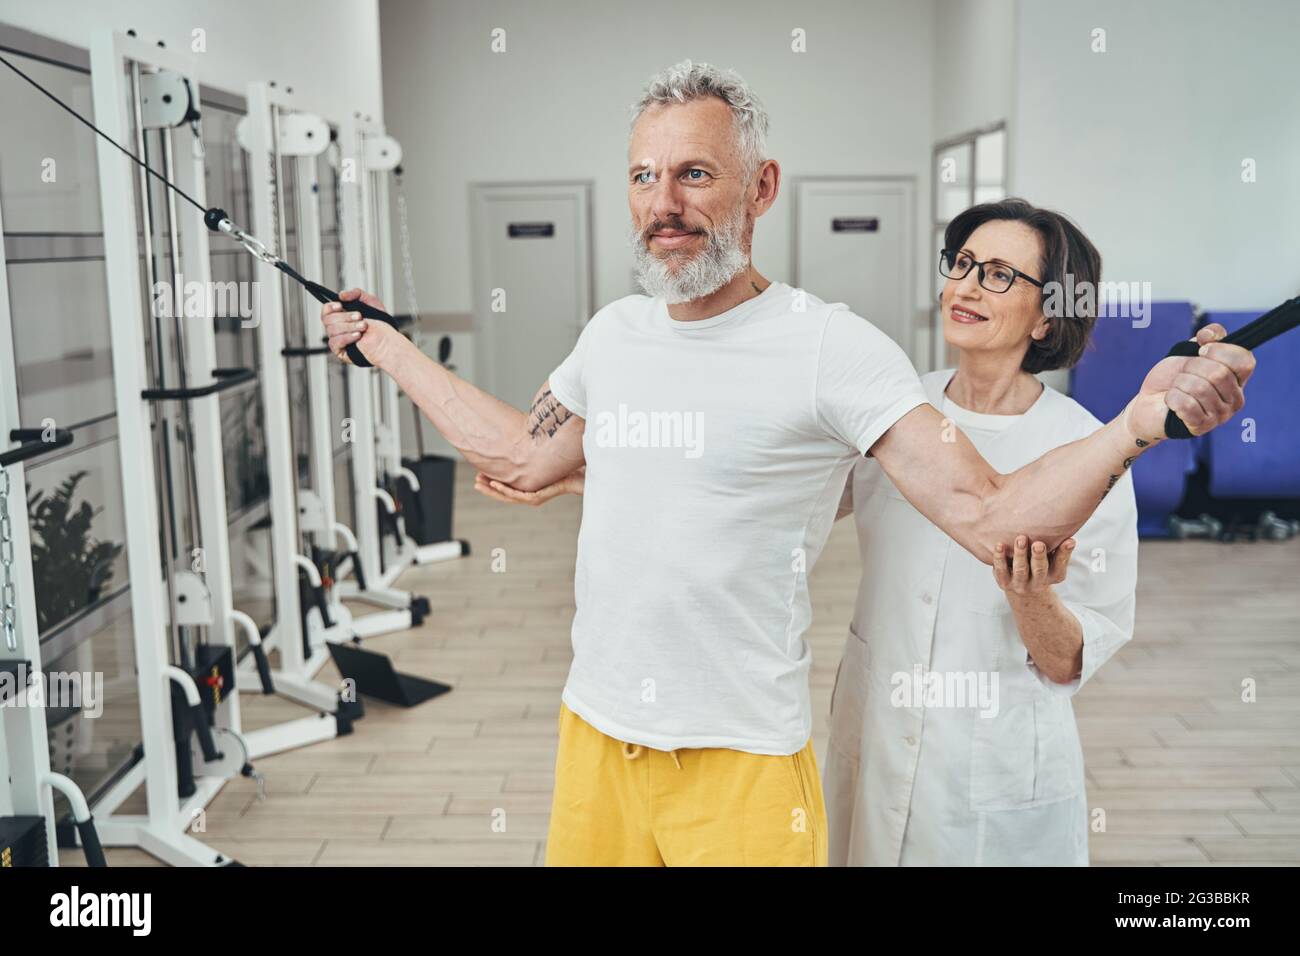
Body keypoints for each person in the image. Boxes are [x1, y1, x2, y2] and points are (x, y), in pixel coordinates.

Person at [319, 61, 1254, 867]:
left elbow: (991, 515)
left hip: (743, 757)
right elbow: (525, 458)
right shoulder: (613, 333)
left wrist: (1138, 423)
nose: (664, 203)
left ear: (761, 187)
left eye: (694, 173)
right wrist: (387, 347)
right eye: (644, 176)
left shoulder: (837, 353)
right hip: (595, 730)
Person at [824, 199, 1137, 866]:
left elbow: (1069, 660)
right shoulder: (895, 412)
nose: (964, 286)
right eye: (962, 264)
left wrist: (1030, 596)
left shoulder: (1086, 449)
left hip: (996, 763)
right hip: (876, 726)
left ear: (1049, 312)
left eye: (998, 274)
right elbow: (799, 504)